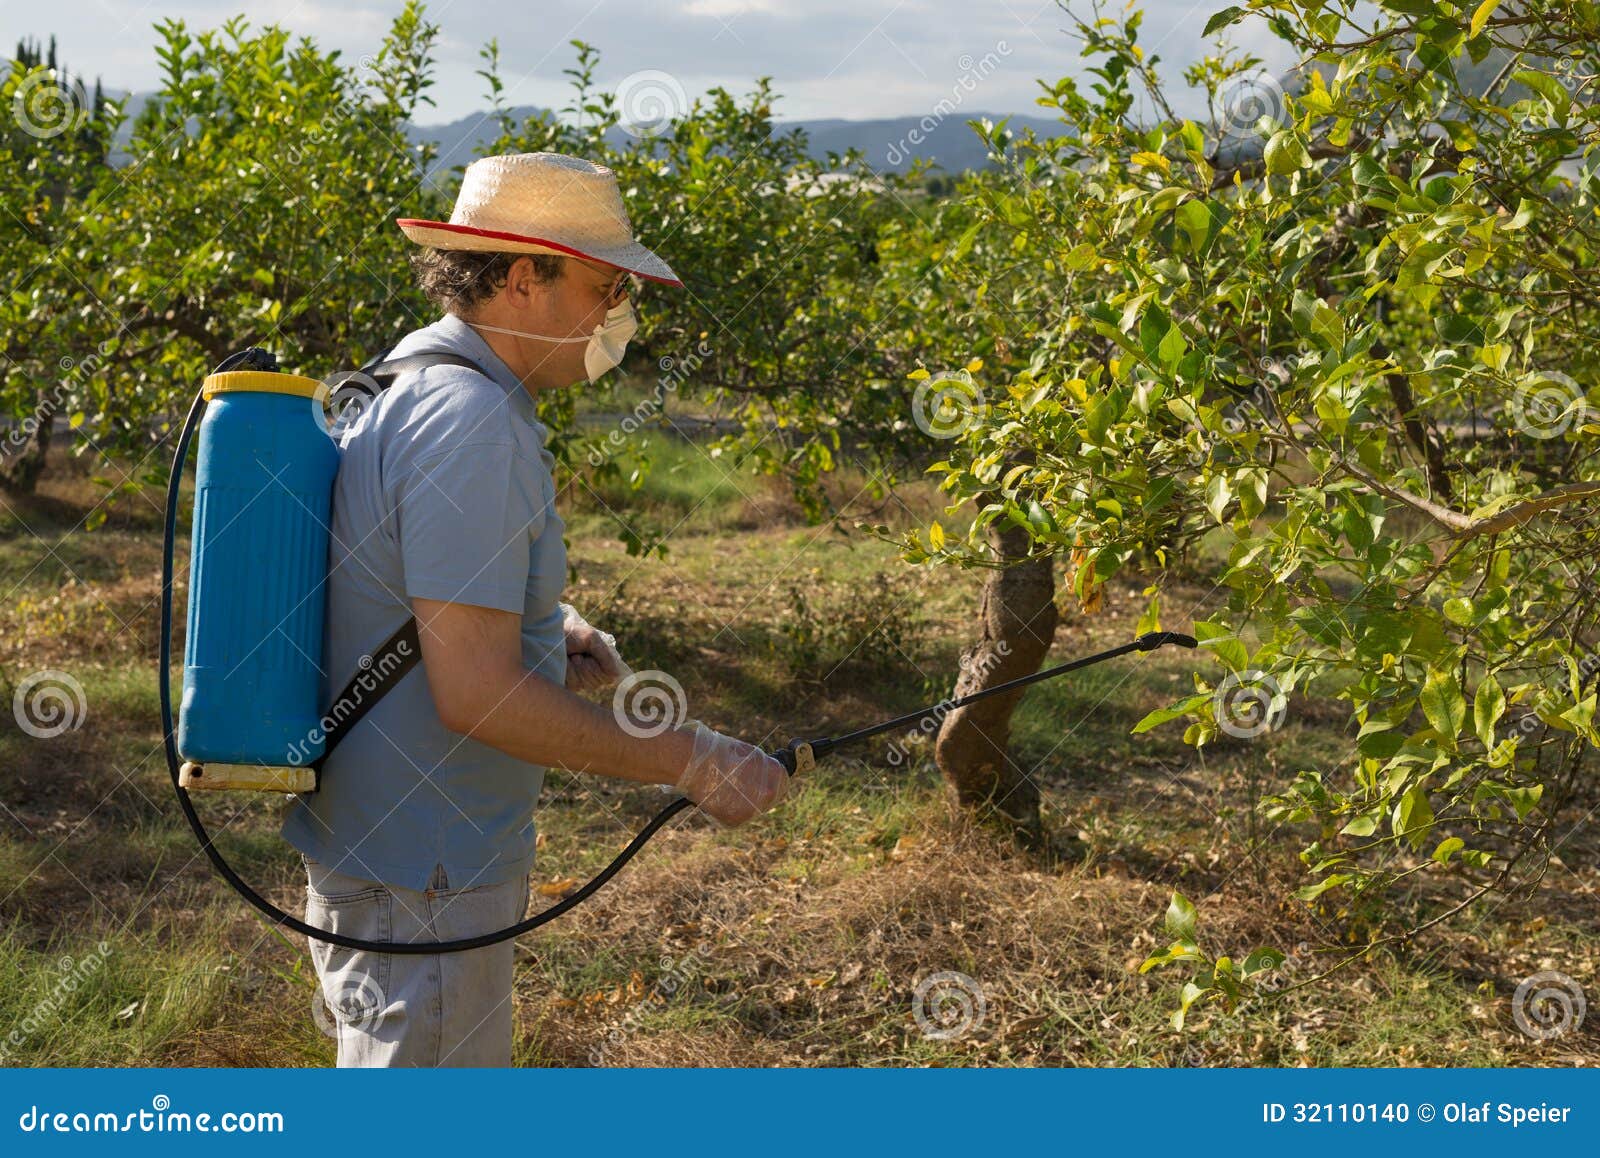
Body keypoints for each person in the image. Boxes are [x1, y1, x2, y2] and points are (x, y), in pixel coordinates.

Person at [280, 152, 789, 1067]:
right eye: (605, 287)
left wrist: (544, 626)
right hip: (424, 873)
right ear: (524, 278)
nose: (617, 315)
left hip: (380, 849)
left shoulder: (408, 378)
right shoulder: (472, 422)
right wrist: (695, 761)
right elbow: (473, 693)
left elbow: (412, 587)